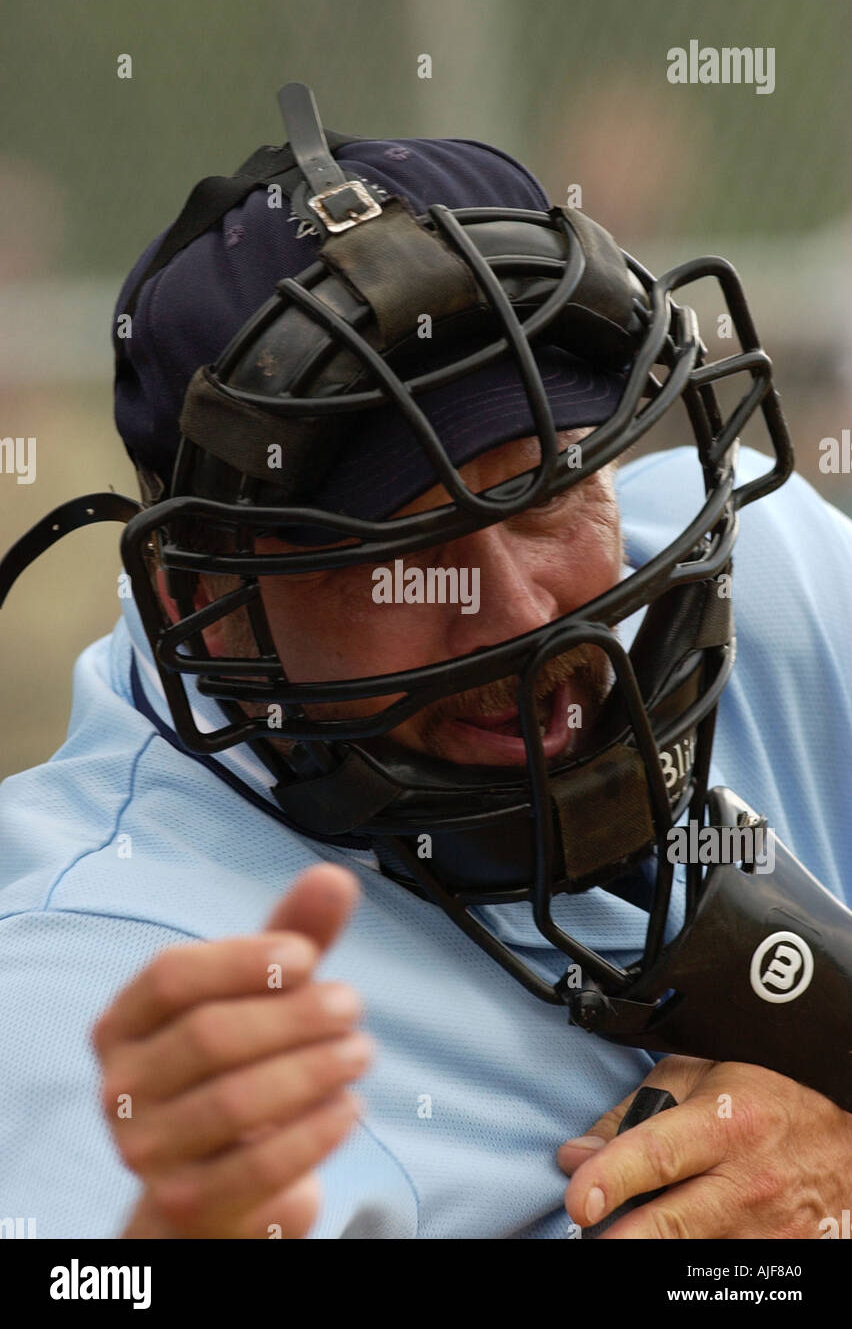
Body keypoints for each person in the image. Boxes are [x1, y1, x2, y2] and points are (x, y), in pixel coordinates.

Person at [1, 84, 850, 1240]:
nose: (518, 614)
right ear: (204, 602)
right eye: (394, 555)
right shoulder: (96, 978)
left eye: (545, 490)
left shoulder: (786, 593)